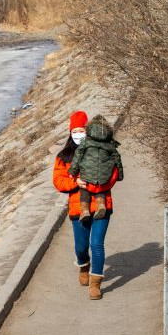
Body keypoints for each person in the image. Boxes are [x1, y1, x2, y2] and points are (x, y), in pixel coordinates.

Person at [52, 111, 119, 300]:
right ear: (70, 133)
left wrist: (92, 183)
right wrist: (76, 183)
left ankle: (95, 284)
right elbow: (58, 180)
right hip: (77, 208)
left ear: (88, 131)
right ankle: (84, 264)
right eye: (75, 131)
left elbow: (113, 175)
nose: (78, 134)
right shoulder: (63, 156)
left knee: (96, 244)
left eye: (81, 130)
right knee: (81, 247)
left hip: (102, 206)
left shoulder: (103, 150)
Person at [68, 114, 123, 222]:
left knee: (84, 190)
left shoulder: (86, 142)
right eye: (74, 132)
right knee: (100, 188)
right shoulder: (110, 144)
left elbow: (77, 156)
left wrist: (73, 171)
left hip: (86, 176)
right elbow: (117, 159)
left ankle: (84, 210)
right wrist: (120, 175)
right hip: (103, 176)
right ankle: (101, 205)